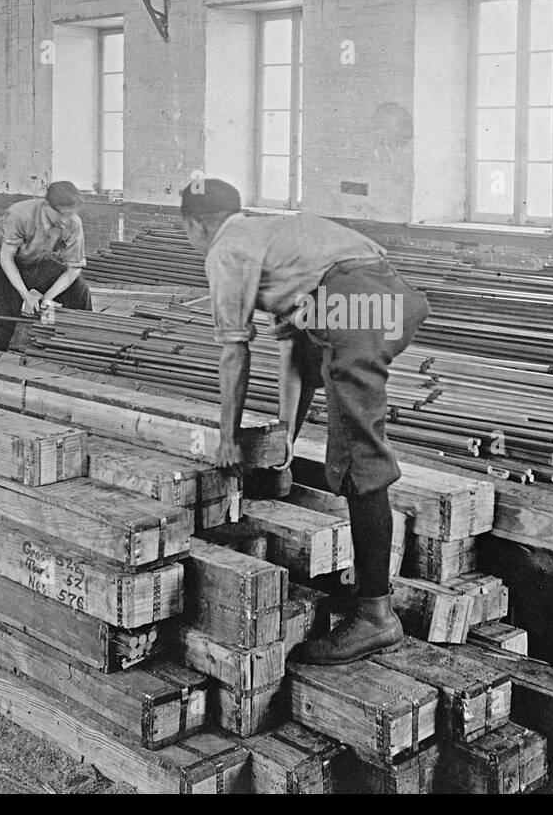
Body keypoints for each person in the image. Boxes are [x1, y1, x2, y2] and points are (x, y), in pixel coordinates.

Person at [181, 178, 430, 664]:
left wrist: (229, 439)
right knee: (333, 387)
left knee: (360, 459)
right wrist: (283, 447)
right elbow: (297, 352)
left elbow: (234, 352)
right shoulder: (274, 235)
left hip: (353, 304)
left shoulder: (225, 249)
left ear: (196, 224)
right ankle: (374, 607)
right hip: (391, 296)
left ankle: (377, 618)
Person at [0, 180, 93, 350]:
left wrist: (47, 298)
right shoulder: (19, 214)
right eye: (61, 215)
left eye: (70, 215)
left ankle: (82, 345)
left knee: (79, 291)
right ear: (47, 206)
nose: (66, 221)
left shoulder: (73, 223)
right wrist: (26, 296)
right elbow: (6, 259)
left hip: (37, 260)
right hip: (2, 260)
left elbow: (74, 269)